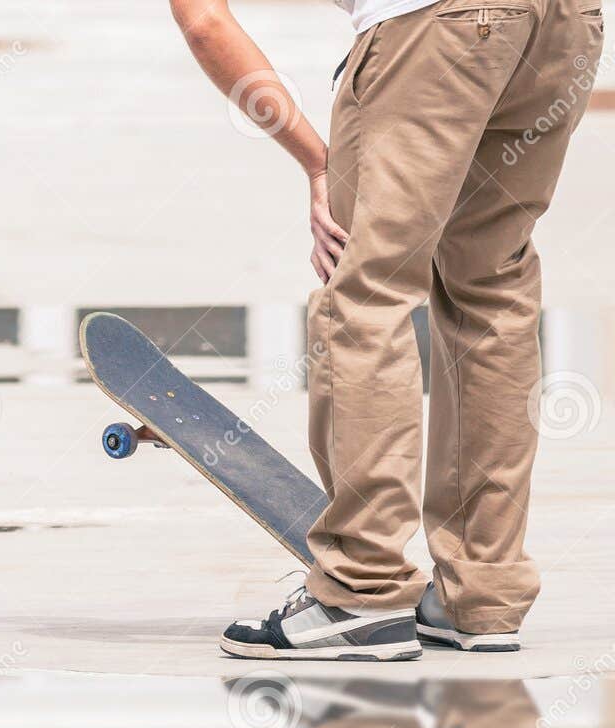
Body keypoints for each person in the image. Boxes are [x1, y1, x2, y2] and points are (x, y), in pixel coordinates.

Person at [170, 0, 603, 660]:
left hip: (438, 28)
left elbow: (204, 21)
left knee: (366, 295)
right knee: (493, 291)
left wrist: (317, 162)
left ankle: (360, 589)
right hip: (564, 24)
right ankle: (481, 594)